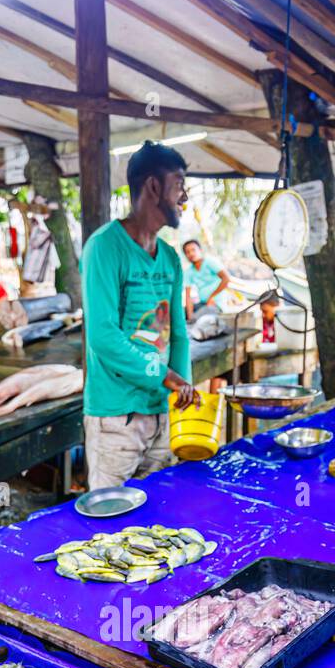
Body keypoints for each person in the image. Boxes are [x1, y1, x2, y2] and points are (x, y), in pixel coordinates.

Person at [81, 140, 199, 491]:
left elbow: (177, 332)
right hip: (117, 417)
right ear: (153, 186)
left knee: (161, 520)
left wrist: (184, 386)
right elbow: (102, 336)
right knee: (111, 529)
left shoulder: (170, 257)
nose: (185, 196)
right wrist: (165, 376)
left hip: (161, 412)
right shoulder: (104, 247)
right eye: (179, 184)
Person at [182, 239, 229, 320]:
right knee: (180, 313)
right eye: (187, 252)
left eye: (193, 250)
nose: (191, 253)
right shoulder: (188, 271)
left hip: (216, 304)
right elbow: (188, 296)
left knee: (196, 318)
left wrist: (211, 297)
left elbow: (226, 279)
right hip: (203, 303)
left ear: (200, 250)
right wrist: (189, 316)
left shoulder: (210, 262)